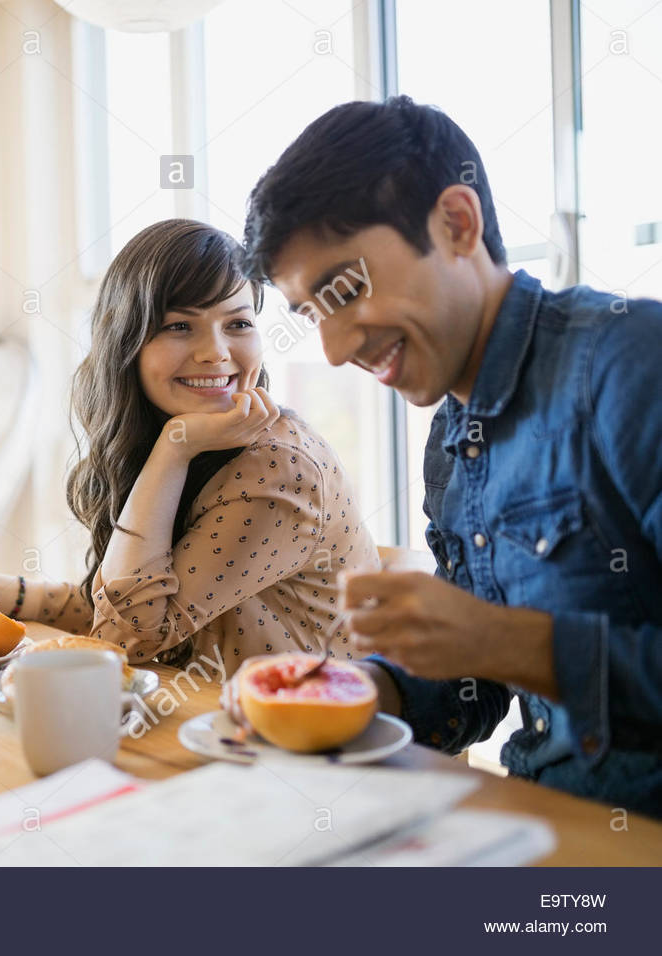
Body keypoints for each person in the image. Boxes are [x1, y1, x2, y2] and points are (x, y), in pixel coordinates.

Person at [240, 95, 662, 816]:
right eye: (311, 315)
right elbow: (480, 681)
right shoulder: (451, 437)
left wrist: (515, 642)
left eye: (344, 288)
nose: (336, 350)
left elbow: (502, 645)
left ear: (457, 224)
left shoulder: (630, 365)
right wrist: (370, 688)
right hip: (541, 832)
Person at [0, 218, 379, 675]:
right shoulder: (197, 442)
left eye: (237, 324)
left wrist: (174, 448)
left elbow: (126, 637)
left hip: (313, 742)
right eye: (180, 327)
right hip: (225, 732)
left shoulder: (277, 468)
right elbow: (120, 600)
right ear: (126, 343)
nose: (216, 352)